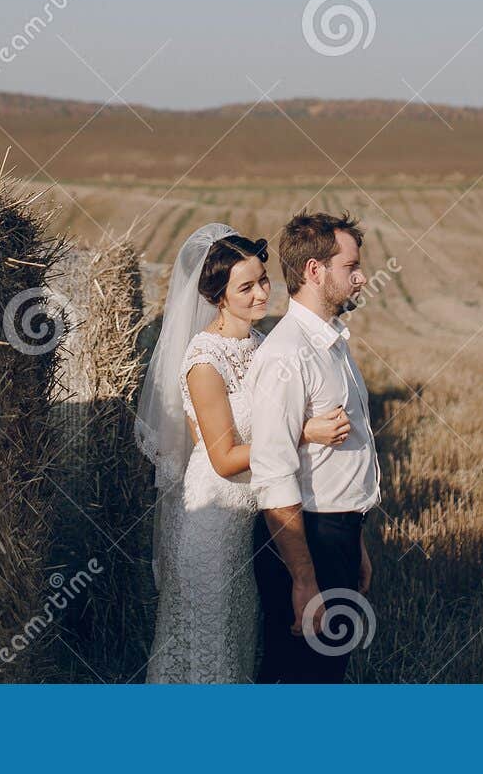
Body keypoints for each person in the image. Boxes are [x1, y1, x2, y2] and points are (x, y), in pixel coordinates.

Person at [136, 223, 351, 682]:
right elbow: (224, 457)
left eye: (263, 280)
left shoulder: (259, 345)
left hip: (247, 522)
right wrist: (303, 432)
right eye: (246, 287)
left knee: (238, 644)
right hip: (210, 526)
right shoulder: (204, 361)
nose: (262, 294)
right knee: (208, 646)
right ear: (218, 296)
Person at [248, 211, 382, 682]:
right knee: (300, 677)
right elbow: (274, 474)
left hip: (336, 534)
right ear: (314, 271)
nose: (362, 277)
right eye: (352, 266)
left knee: (324, 675)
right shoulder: (287, 355)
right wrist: (304, 578)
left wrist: (357, 541)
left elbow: (341, 460)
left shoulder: (332, 344)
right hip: (306, 540)